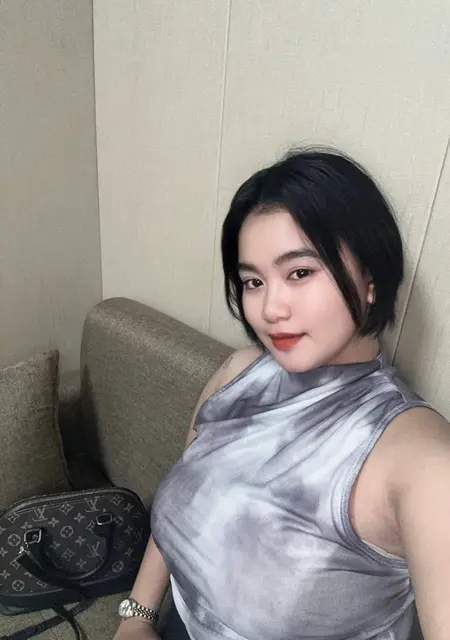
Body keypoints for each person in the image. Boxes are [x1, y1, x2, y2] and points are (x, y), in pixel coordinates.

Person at [114, 149, 450, 640]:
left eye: (300, 273)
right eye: (253, 281)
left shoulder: (419, 457)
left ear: (371, 279)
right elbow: (187, 496)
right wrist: (136, 617)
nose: (270, 309)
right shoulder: (237, 374)